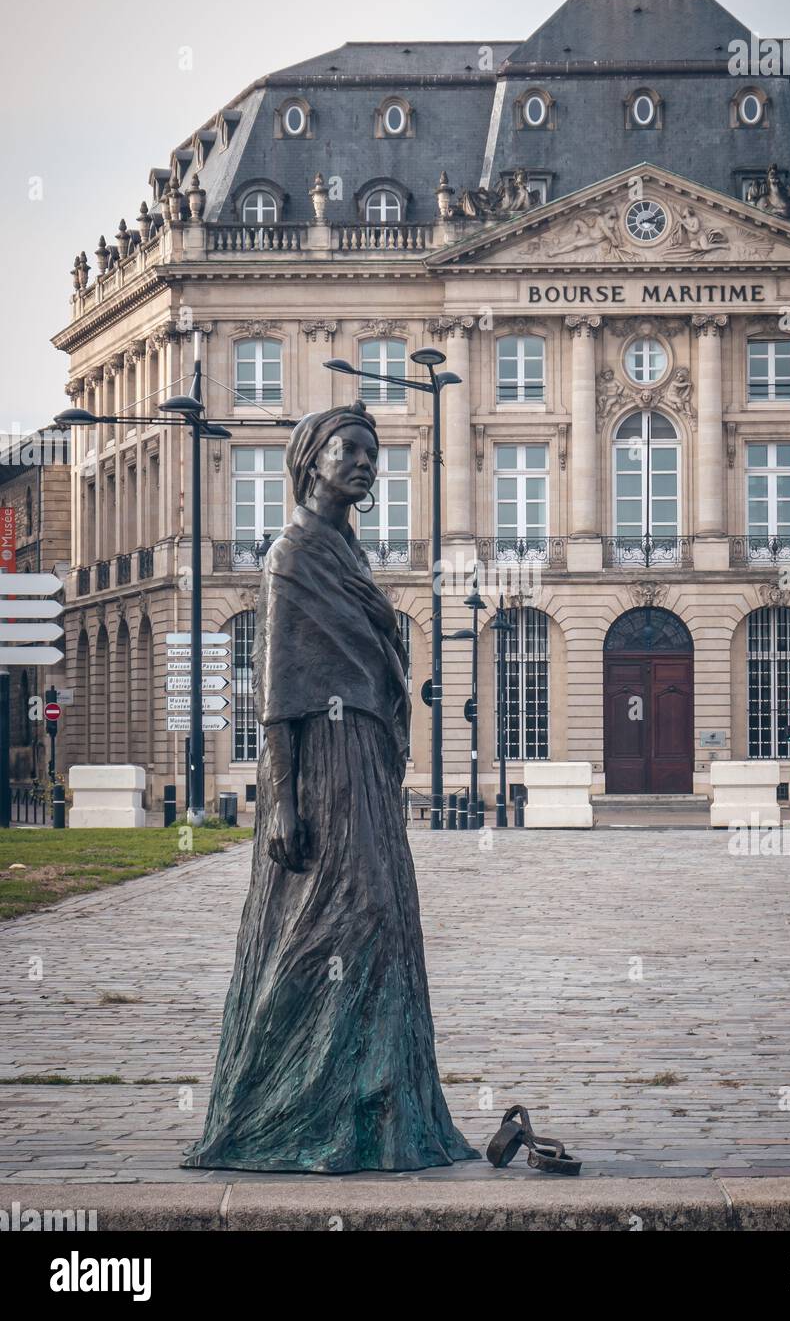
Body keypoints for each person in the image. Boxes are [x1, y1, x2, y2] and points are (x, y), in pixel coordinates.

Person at [182, 401, 478, 1174]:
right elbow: (276, 687)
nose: (363, 463)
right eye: (349, 449)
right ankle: (285, 1104)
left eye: (372, 454)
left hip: (364, 752)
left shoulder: (348, 553)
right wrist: (277, 797)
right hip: (321, 759)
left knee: (382, 924)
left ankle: (373, 1105)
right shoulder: (294, 555)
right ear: (311, 459)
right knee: (340, 922)